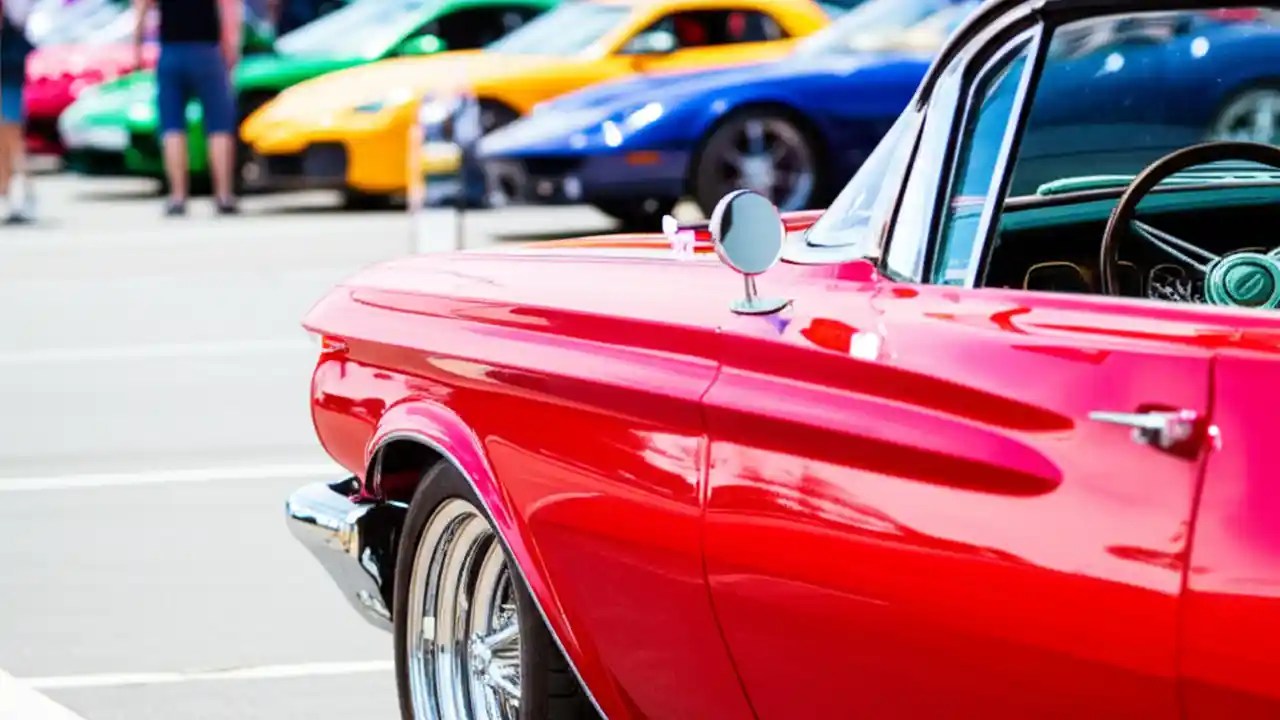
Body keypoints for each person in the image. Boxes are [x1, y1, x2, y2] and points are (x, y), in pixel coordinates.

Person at [134, 0, 242, 216]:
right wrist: (231, 50)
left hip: (171, 50)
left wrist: (137, 46)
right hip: (207, 50)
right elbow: (229, 10)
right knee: (219, 125)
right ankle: (223, 196)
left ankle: (177, 197)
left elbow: (142, 7)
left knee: (172, 126)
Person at [0, 0, 37, 224]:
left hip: (7, 65)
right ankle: (9, 192)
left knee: (11, 131)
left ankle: (23, 189)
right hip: (9, 65)